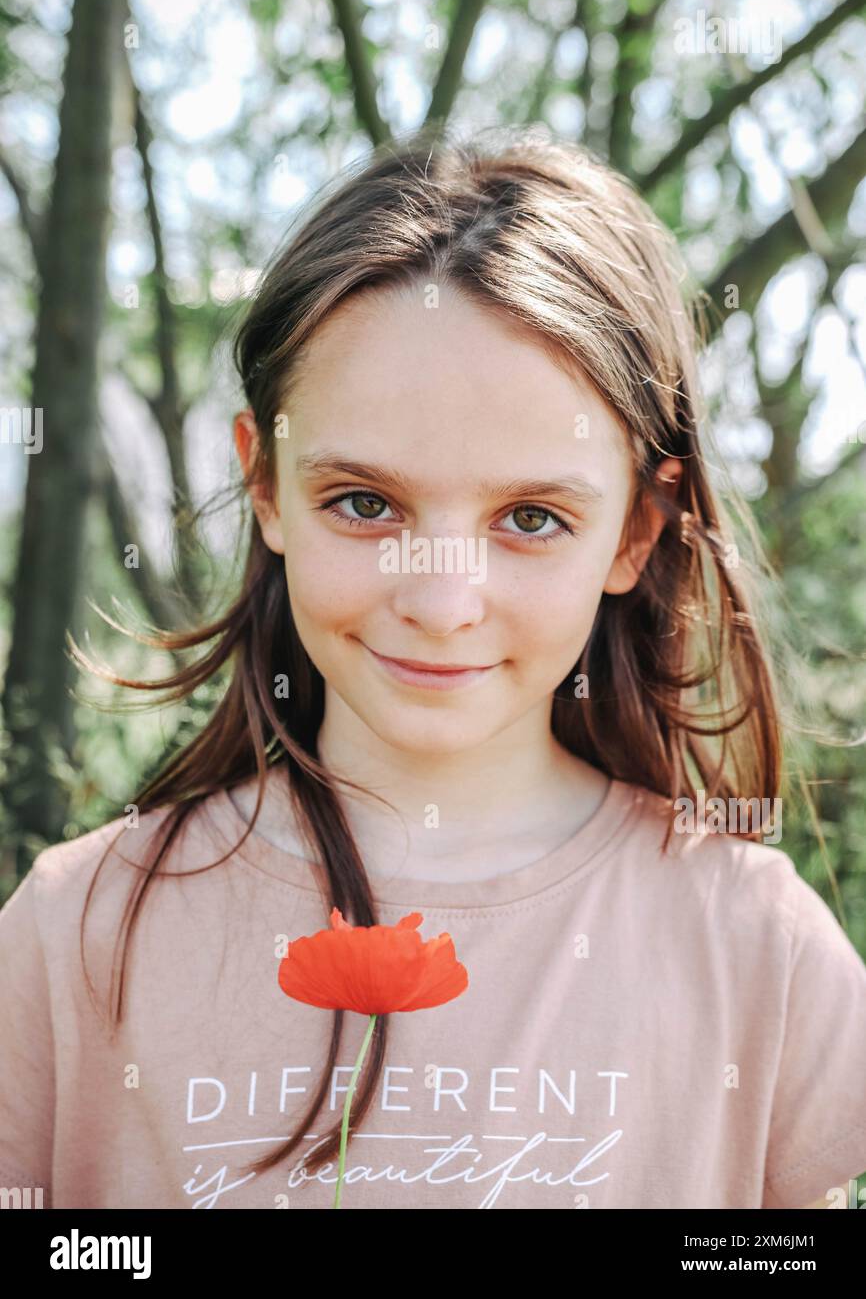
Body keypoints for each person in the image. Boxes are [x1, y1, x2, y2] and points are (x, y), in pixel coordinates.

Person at [2, 126, 865, 1211]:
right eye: (364, 502)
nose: (441, 600)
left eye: (530, 517)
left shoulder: (756, 951)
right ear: (263, 484)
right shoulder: (70, 936)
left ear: (637, 532)